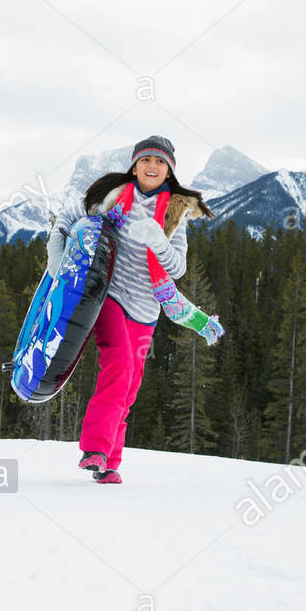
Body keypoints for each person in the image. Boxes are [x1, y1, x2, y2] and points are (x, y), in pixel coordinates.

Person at [48, 135, 220, 484]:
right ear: (134, 165)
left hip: (145, 310)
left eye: (160, 162)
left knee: (129, 387)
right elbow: (65, 220)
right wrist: (56, 259)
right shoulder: (113, 195)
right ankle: (94, 448)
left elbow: (176, 269)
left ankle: (109, 462)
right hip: (107, 295)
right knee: (119, 366)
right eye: (145, 160)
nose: (152, 167)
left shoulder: (175, 212)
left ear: (169, 169)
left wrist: (158, 238)